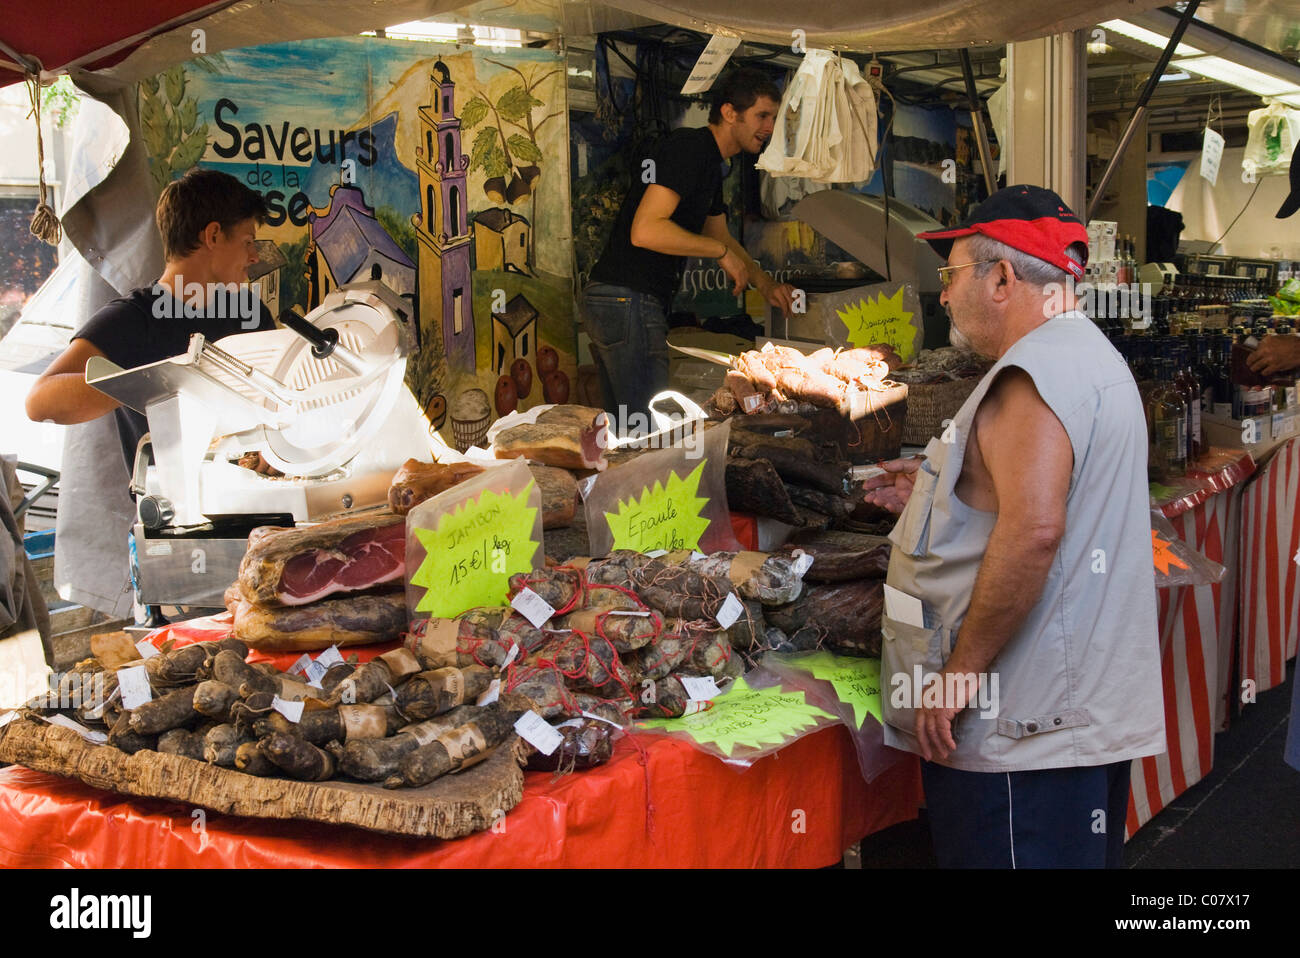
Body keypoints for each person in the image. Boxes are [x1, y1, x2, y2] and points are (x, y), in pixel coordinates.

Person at [861, 185, 1166, 868]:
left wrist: (961, 674)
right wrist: (934, 491)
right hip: (1070, 715)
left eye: (951, 274)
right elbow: (1041, 491)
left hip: (1022, 731)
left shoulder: (1031, 374)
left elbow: (1034, 530)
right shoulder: (1090, 354)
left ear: (1001, 277)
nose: (943, 296)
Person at [26, 167, 276, 478]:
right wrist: (151, 381)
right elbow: (39, 402)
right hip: (173, 513)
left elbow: (280, 401)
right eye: (248, 241)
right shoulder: (133, 319)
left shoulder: (249, 312)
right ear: (212, 235)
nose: (254, 256)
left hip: (262, 501)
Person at [582, 68, 797, 421]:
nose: (770, 128)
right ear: (730, 113)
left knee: (627, 425)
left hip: (617, 300)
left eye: (773, 117)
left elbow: (720, 235)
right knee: (647, 430)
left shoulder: (712, 164)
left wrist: (765, 284)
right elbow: (646, 231)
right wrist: (722, 254)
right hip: (627, 299)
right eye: (762, 115)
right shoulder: (689, 148)